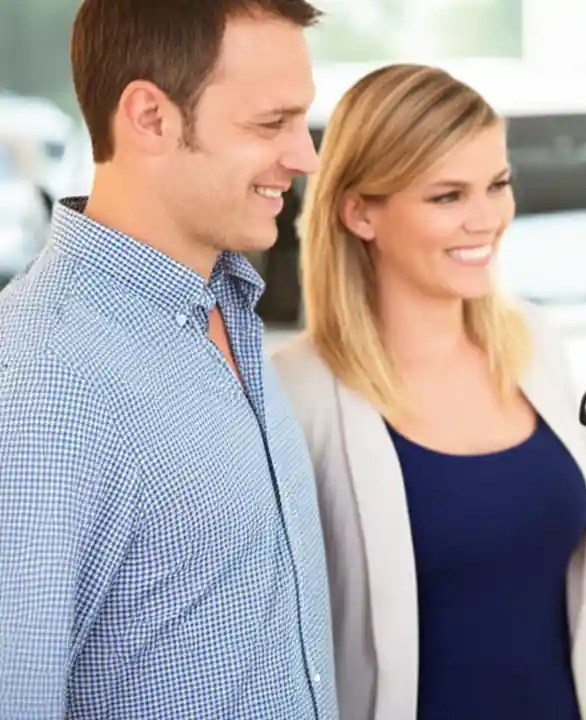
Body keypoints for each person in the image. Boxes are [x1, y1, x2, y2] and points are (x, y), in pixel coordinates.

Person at [271, 64, 586, 720]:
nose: (486, 220)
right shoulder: (296, 394)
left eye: (497, 185)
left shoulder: (534, 341)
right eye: (447, 196)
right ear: (360, 211)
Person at [0, 1, 336, 717]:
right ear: (150, 117)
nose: (305, 156)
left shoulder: (232, 307)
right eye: (269, 123)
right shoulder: (37, 381)